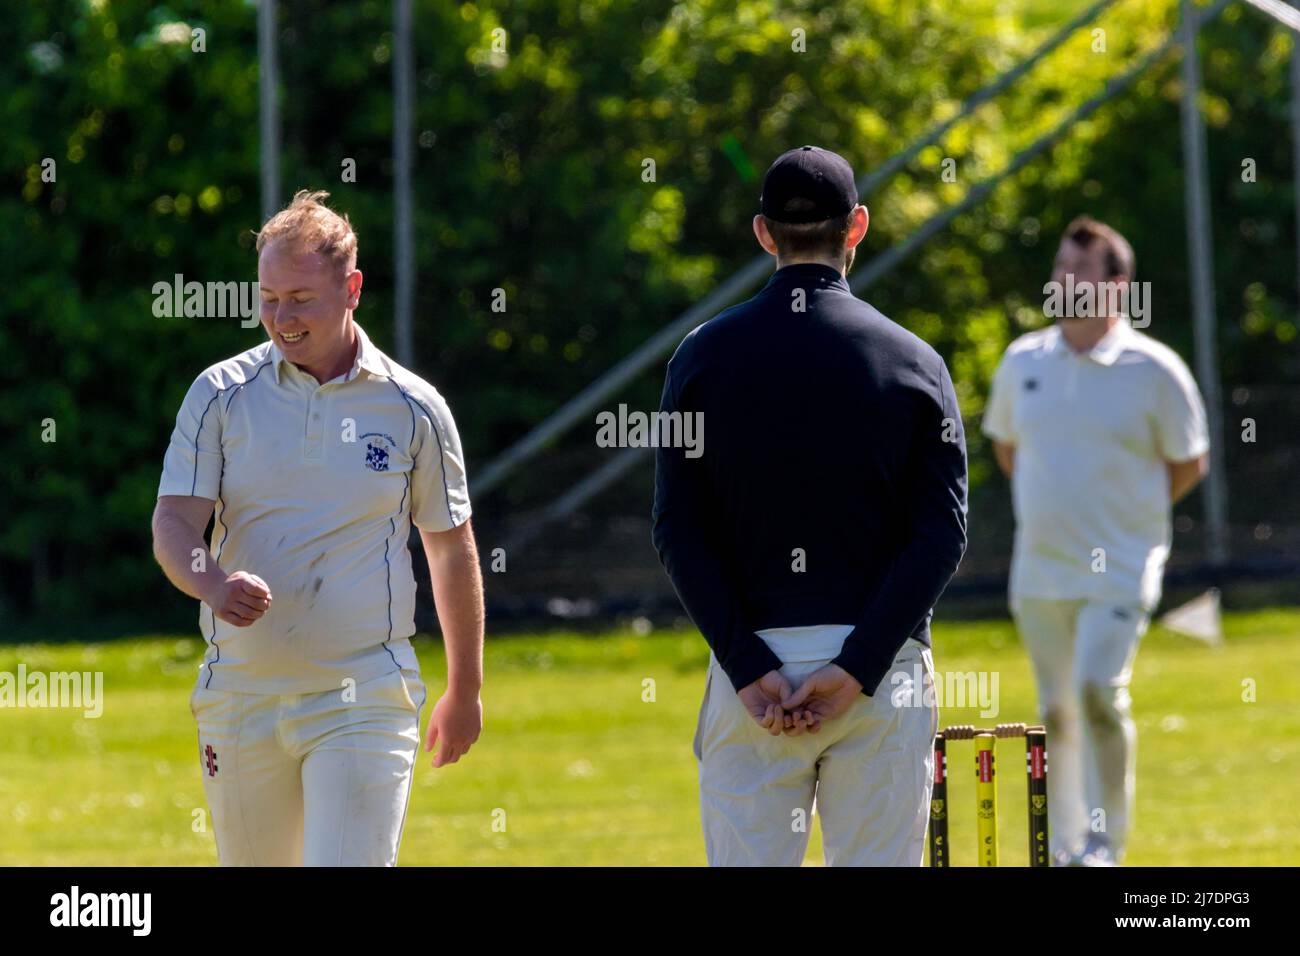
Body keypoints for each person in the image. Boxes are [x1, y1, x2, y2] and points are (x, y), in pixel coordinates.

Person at [652, 146, 968, 866]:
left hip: (753, 677)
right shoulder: (916, 363)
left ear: (764, 233)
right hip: (881, 671)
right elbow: (941, 537)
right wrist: (857, 665)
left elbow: (677, 528)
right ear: (856, 227)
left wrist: (745, 660)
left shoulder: (700, 359)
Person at [151, 190, 484, 866]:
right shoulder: (219, 395)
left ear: (352, 288)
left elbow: (451, 552)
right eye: (269, 298)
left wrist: (466, 687)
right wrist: (209, 582)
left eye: (300, 298)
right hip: (241, 695)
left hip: (364, 695)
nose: (282, 317)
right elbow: (174, 519)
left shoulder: (413, 407)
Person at [983, 215, 1210, 866]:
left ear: (1118, 285)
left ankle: (1103, 845)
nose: (1064, 279)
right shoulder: (1023, 359)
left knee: (1096, 691)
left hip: (1122, 566)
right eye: (1060, 266)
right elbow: (1007, 448)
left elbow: (1189, 462)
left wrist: (1129, 522)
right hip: (1040, 571)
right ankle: (1065, 847)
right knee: (1057, 710)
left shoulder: (1154, 369)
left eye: (1079, 269)